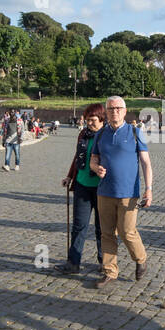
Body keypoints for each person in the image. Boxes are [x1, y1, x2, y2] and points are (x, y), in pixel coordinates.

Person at [90, 96, 153, 288]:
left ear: (125, 111)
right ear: (106, 112)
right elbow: (93, 159)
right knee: (107, 233)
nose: (114, 111)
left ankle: (140, 258)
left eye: (118, 108)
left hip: (129, 193)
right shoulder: (100, 135)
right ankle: (110, 271)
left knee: (127, 232)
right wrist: (96, 168)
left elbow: (146, 163)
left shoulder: (135, 132)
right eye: (110, 108)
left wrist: (148, 190)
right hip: (105, 192)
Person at [59, 102, 106, 274]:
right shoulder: (83, 134)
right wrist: (70, 176)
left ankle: (104, 262)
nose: (89, 123)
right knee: (79, 226)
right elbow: (77, 157)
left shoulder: (107, 135)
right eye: (87, 120)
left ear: (101, 118)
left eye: (93, 120)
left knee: (102, 228)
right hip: (82, 185)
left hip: (102, 188)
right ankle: (73, 263)